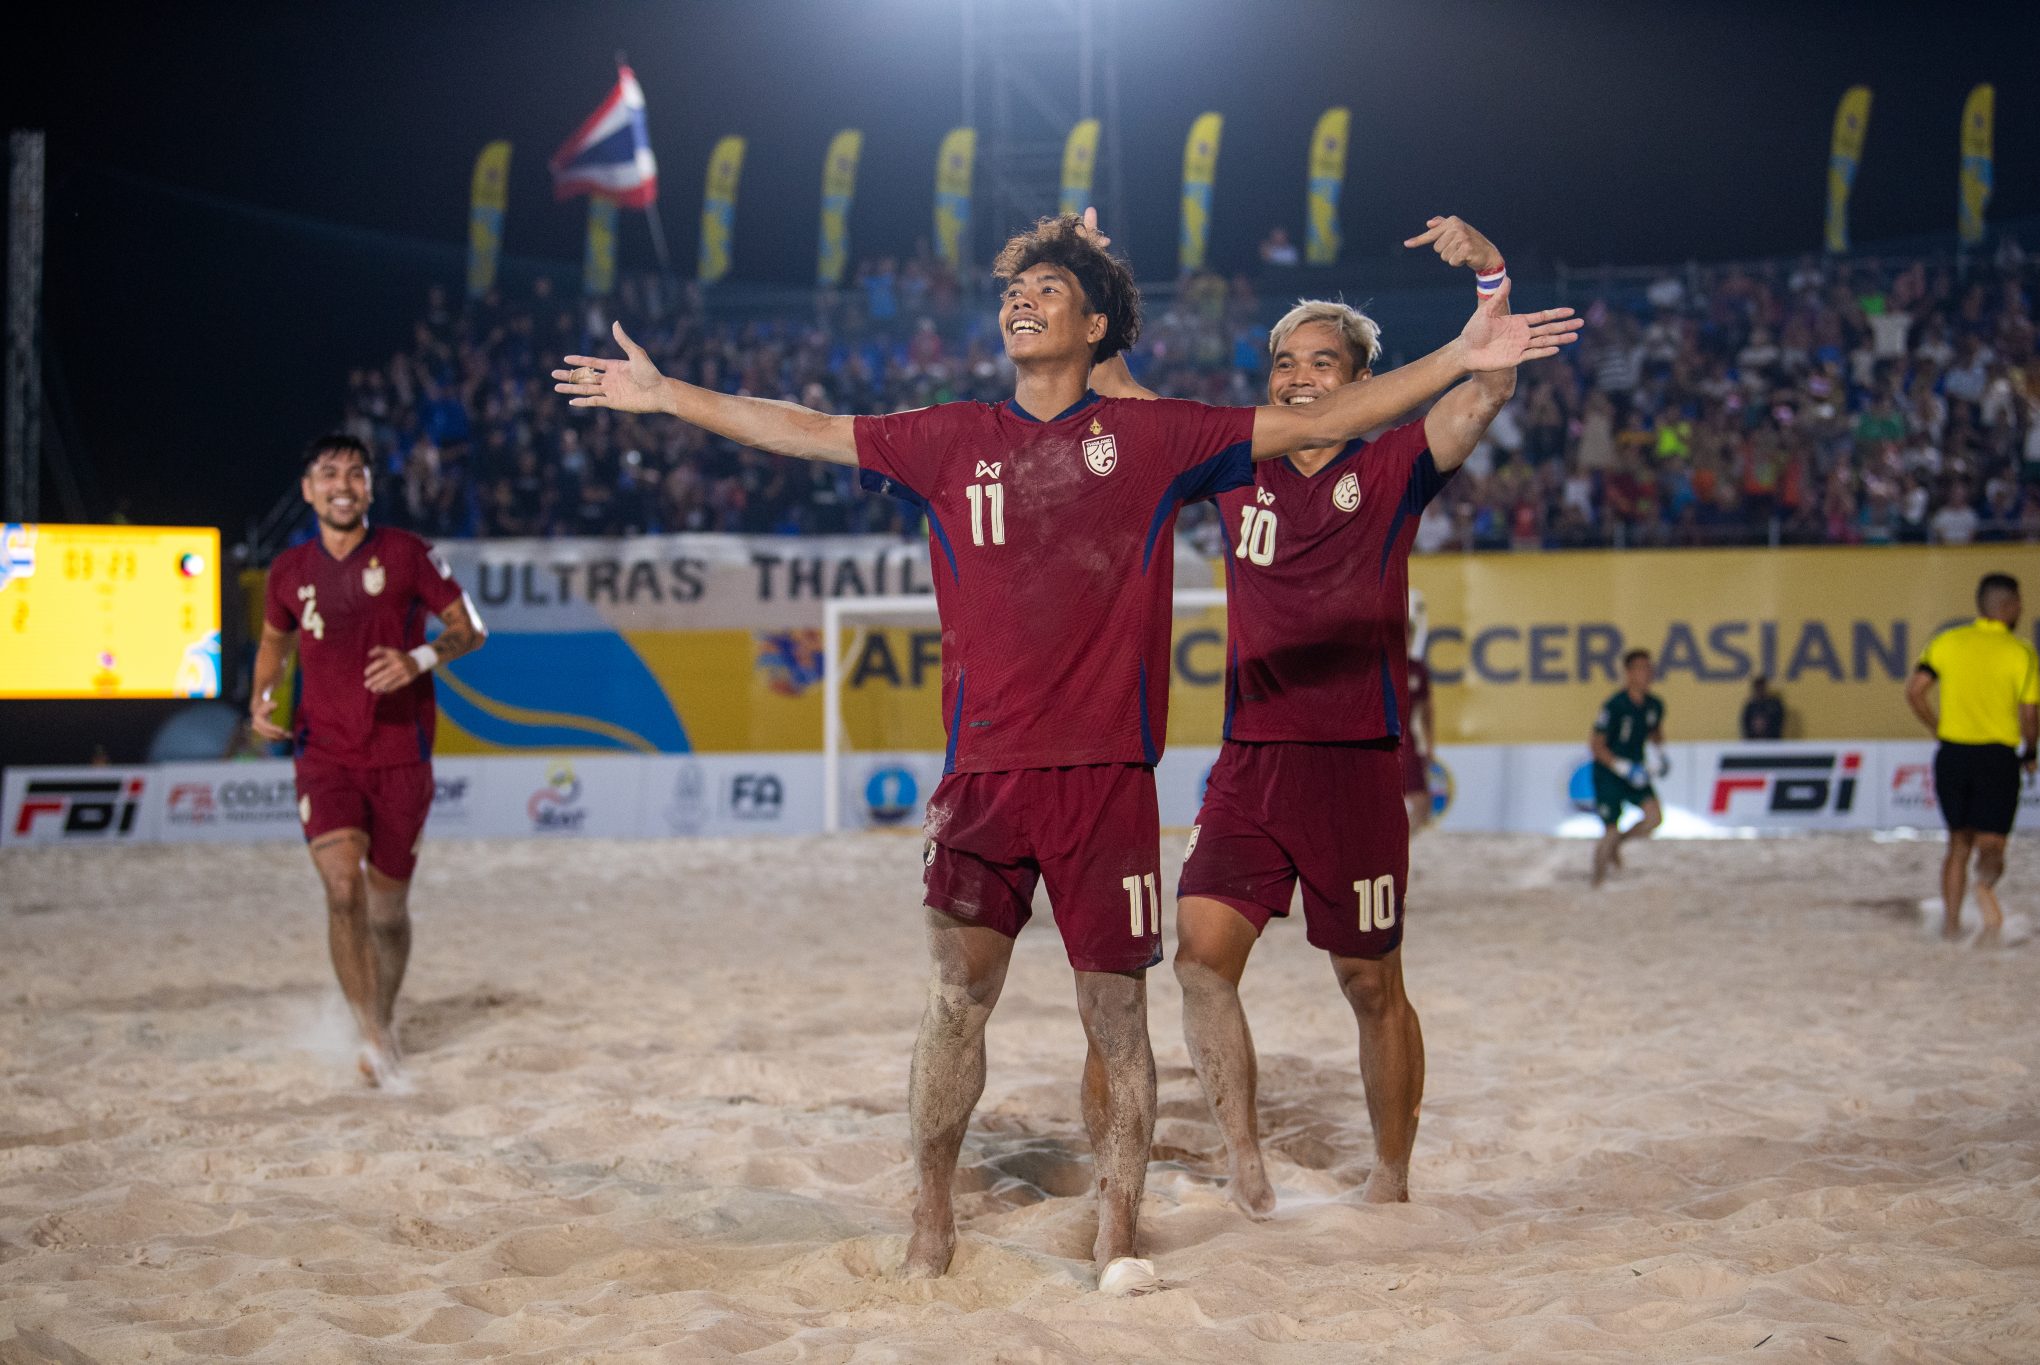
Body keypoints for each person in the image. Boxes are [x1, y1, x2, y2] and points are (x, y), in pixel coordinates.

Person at [554, 211, 1580, 1287]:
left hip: (1200, 771)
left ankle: (1203, 1214)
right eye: (1014, 290)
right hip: (1053, 772)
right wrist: (667, 396)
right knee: (1018, 991)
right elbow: (812, 427)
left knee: (1212, 1002)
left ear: (1091, 324)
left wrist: (1469, 339)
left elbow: (1359, 408)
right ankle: (998, 1205)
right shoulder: (972, 436)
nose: (1020, 301)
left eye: (1048, 290)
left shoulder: (1211, 447)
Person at [1090, 213, 1516, 1215]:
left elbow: (1487, 383)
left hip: (1353, 766)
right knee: (1196, 959)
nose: (1294, 377)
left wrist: (1488, 274)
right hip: (1249, 763)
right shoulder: (1235, 465)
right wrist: (1089, 269)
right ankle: (1245, 1162)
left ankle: (1390, 1176)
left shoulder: (1399, 462)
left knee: (1368, 987)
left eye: (1320, 364)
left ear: (1362, 381)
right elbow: (1113, 384)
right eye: (1283, 362)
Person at [250, 434, 488, 1086]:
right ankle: (371, 1034)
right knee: (341, 888)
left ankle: (383, 1015)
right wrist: (260, 696)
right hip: (322, 753)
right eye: (328, 473)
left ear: (369, 489)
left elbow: (472, 627)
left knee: (387, 913)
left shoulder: (408, 554)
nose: (343, 484)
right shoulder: (288, 571)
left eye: (355, 472)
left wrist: (418, 658)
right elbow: (274, 643)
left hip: (400, 756)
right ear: (309, 489)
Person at [1905, 572, 2040, 946]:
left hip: (1953, 754)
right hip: (1996, 757)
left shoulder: (1947, 642)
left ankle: (1950, 926)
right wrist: (2031, 751)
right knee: (1993, 846)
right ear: (2007, 607)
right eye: (2018, 602)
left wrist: (1939, 729)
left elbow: (1915, 692)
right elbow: (2029, 713)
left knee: (1957, 844)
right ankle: (1984, 889)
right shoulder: (2021, 652)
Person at [1591, 649, 1667, 886]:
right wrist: (1621, 767)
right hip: (1609, 774)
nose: (1648, 673)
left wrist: (1661, 756)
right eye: (1642, 668)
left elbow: (1655, 734)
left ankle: (1619, 845)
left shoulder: (1655, 705)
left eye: (1649, 668)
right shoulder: (1614, 705)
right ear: (1629, 673)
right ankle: (1597, 880)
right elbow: (1596, 744)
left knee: (1654, 818)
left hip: (1637, 771)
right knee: (1610, 831)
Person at [1401, 617, 1438, 838]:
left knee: (1422, 800)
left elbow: (1426, 710)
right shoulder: (1378, 666)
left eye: (1409, 635)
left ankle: (1405, 843)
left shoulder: (1417, 670)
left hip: (1405, 738)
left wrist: (1430, 743)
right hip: (1379, 738)